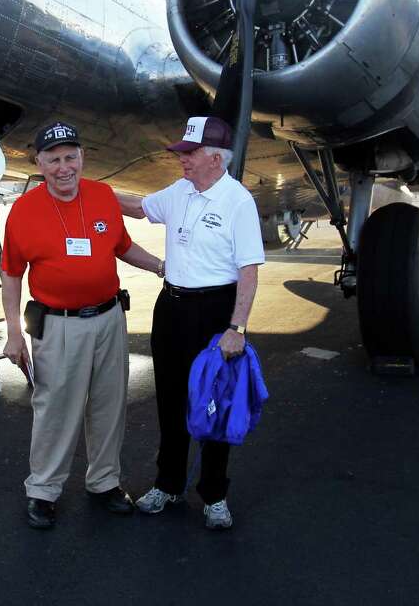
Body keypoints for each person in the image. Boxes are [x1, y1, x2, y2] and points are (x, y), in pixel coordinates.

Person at [0, 121, 164, 529]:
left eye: (70, 157)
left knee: (109, 406)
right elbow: (11, 274)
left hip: (109, 319)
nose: (63, 167)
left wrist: (162, 266)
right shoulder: (24, 211)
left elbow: (122, 247)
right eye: (53, 159)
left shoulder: (103, 196)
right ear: (39, 164)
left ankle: (104, 482)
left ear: (82, 159)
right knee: (55, 409)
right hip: (59, 326)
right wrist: (14, 332)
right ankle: (43, 490)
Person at [117, 116, 265, 531]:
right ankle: (169, 484)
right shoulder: (179, 192)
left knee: (214, 405)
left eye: (191, 153)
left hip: (216, 312)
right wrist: (86, 190)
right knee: (170, 400)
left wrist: (237, 328)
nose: (182, 159)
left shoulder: (238, 201)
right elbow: (138, 208)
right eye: (182, 152)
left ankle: (215, 495)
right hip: (172, 307)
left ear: (216, 158)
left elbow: (249, 272)